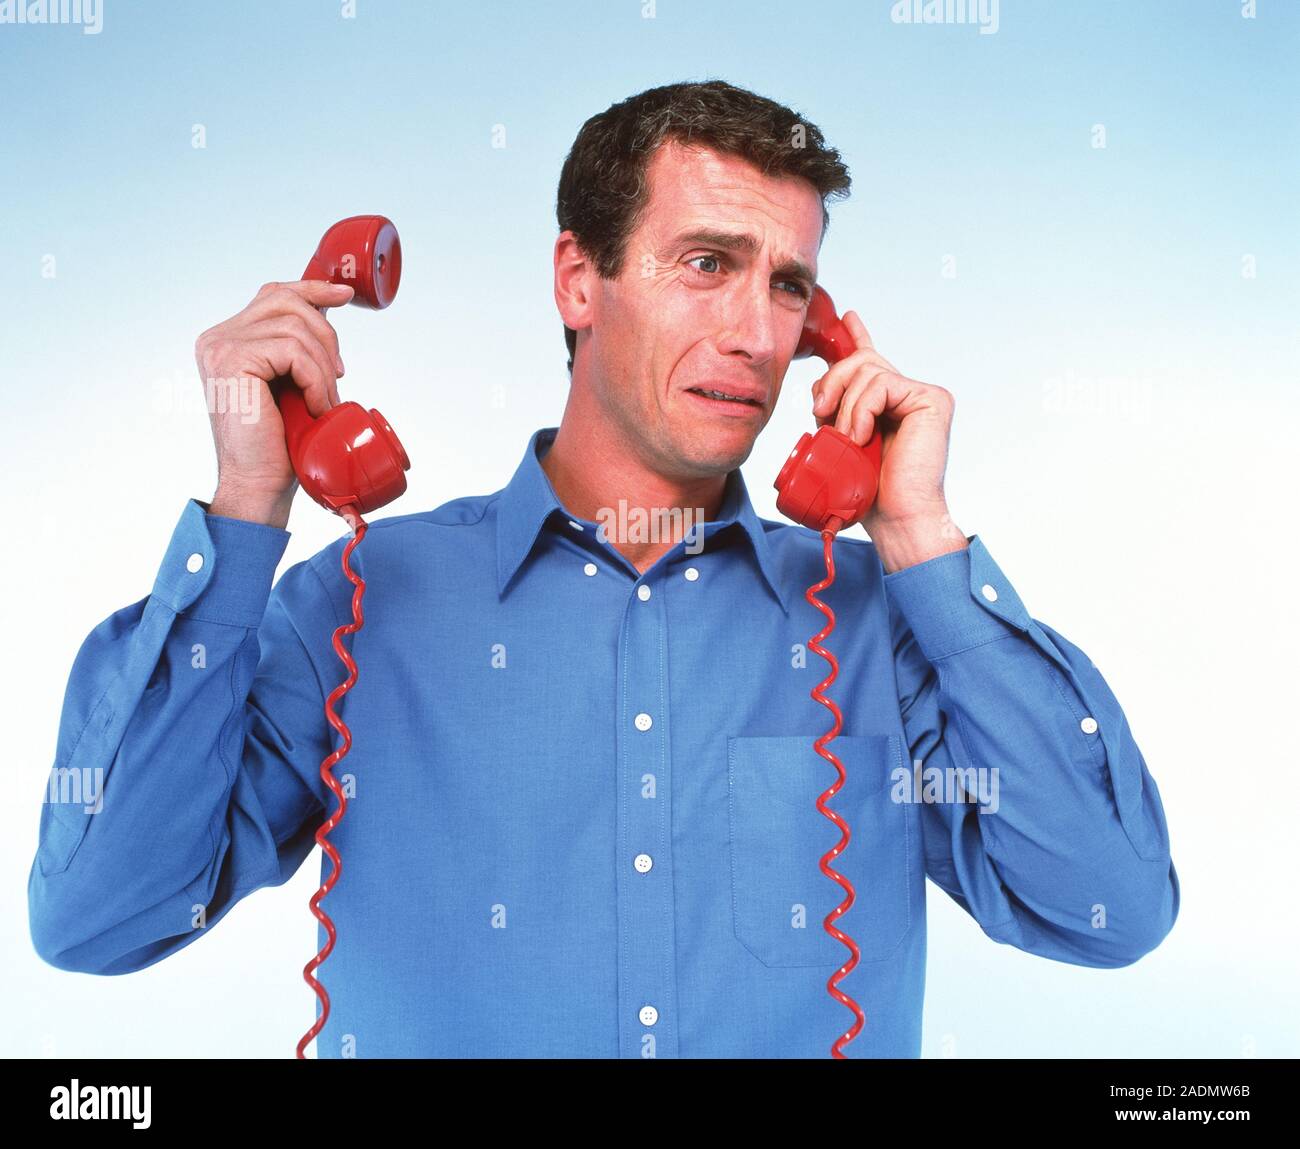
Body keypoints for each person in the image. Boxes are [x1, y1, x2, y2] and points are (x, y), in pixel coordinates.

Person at [28, 79, 1178, 1059]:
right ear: (579, 280)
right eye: (707, 263)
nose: (757, 334)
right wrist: (244, 511)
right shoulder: (356, 605)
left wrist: (920, 532)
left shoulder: (871, 624)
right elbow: (96, 918)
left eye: (787, 286)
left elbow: (1108, 907)